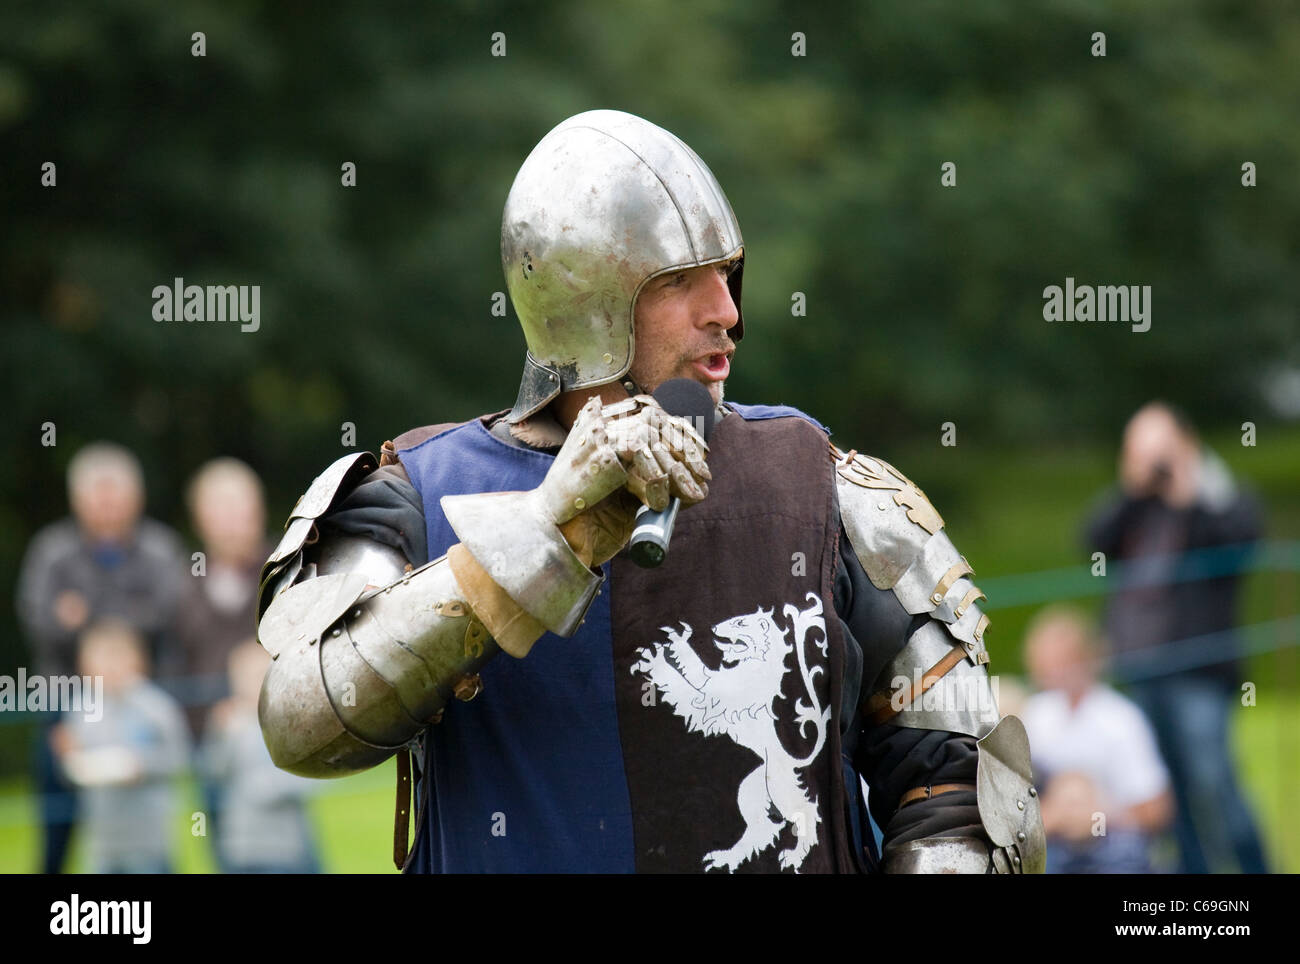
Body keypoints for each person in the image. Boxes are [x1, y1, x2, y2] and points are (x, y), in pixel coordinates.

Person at [255, 109, 1045, 874]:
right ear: (580, 300)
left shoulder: (823, 491)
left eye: (727, 275)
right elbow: (300, 725)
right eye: (680, 283)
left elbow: (966, 790)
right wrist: (538, 536)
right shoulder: (420, 497)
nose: (727, 312)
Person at [1085, 401, 1269, 874]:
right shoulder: (1135, 507)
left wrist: (1188, 492)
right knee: (1167, 791)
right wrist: (1131, 490)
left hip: (1199, 669)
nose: (1154, 464)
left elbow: (1239, 546)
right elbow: (1092, 540)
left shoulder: (1223, 497)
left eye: (1160, 450)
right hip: (1142, 666)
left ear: (1186, 444)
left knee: (1215, 785)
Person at [15, 441, 185, 873]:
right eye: (99, 495)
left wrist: (86, 619)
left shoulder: (161, 548)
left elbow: (171, 612)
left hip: (143, 703)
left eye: (117, 495)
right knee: (58, 826)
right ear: (78, 499)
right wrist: (119, 623)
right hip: (65, 706)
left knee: (148, 818)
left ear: (136, 498)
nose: (108, 506)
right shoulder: (51, 550)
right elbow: (37, 617)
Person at [1019, 606, 1173, 873]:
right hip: (1052, 846)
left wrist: (1099, 815)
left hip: (1112, 846)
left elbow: (1156, 810)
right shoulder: (1035, 715)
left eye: (1063, 663)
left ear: (1088, 659)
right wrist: (1051, 817)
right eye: (1048, 666)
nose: (1055, 674)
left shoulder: (1120, 720)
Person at [53, 619, 190, 874]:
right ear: (84, 666)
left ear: (138, 661)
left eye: (117, 658)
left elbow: (179, 759)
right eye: (101, 660)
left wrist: (142, 766)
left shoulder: (157, 708)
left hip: (149, 842)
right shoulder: (80, 711)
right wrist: (67, 756)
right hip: (101, 843)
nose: (110, 668)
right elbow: (71, 772)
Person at [199, 640, 321, 873]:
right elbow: (215, 774)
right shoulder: (230, 723)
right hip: (241, 845)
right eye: (245, 677)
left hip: (286, 845)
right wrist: (222, 736)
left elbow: (310, 778)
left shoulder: (289, 723)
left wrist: (267, 786)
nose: (254, 684)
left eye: (260, 675)